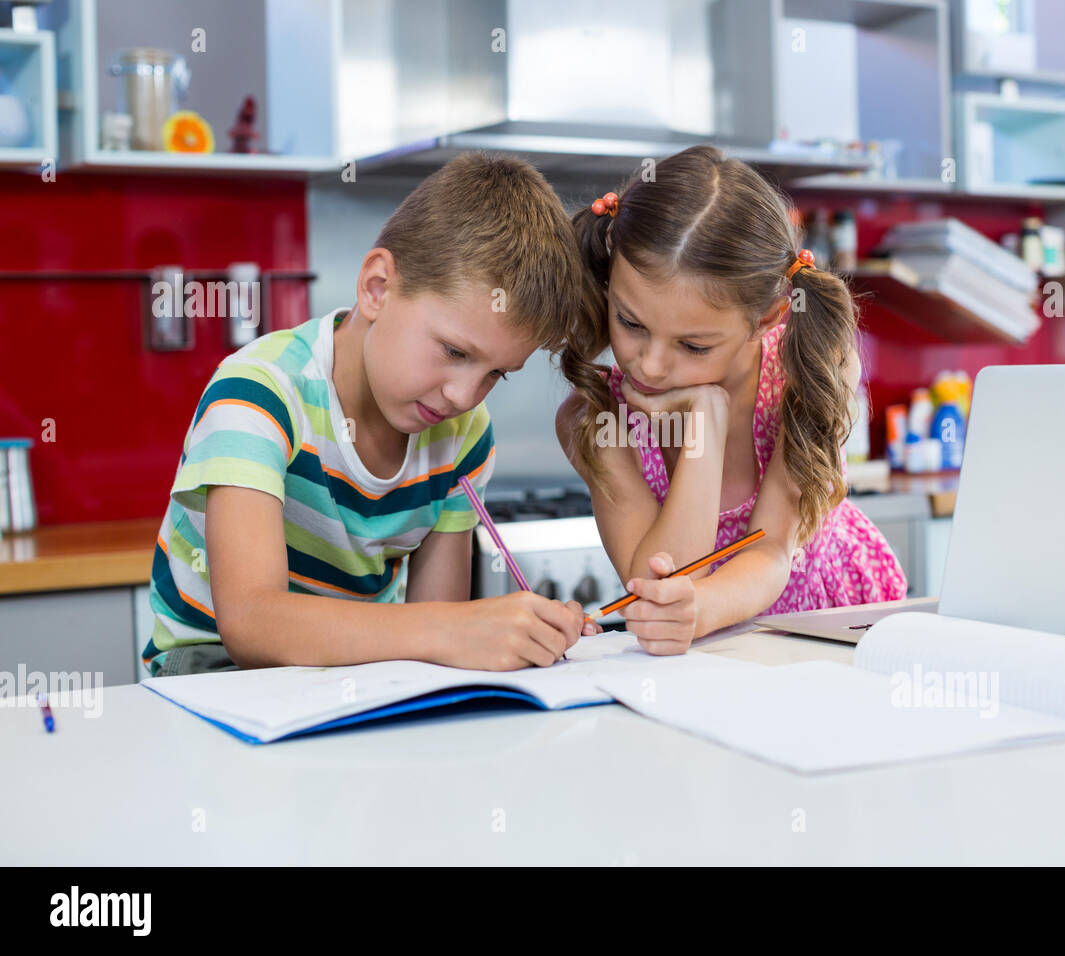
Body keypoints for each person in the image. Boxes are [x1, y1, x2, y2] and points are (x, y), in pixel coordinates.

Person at [145, 153, 599, 677]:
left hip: (360, 667)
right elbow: (251, 625)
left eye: (497, 374)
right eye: (454, 352)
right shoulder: (259, 393)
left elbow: (441, 630)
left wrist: (519, 636)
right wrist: (456, 629)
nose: (464, 396)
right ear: (377, 287)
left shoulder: (464, 436)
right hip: (212, 670)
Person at [556, 145, 907, 654]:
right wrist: (704, 428)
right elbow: (659, 576)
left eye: (693, 345)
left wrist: (698, 609)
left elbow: (769, 554)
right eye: (631, 323)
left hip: (833, 632)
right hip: (712, 653)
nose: (650, 364)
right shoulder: (596, 417)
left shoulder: (805, 371)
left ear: (765, 318)